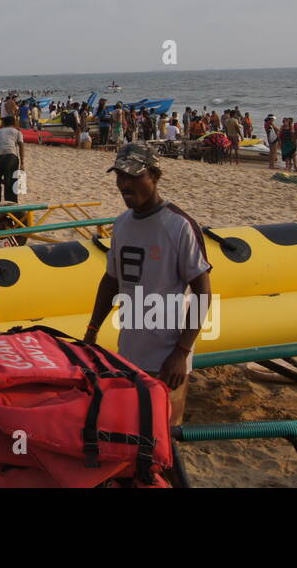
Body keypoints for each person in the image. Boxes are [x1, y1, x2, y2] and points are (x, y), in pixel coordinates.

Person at [83, 144, 211, 427]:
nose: (124, 184)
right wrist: (92, 330)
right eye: (120, 176)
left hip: (167, 360)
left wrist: (181, 353)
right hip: (129, 353)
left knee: (166, 435)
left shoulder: (178, 226)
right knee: (134, 433)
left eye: (133, 176)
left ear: (154, 176)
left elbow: (203, 292)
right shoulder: (122, 224)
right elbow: (111, 281)